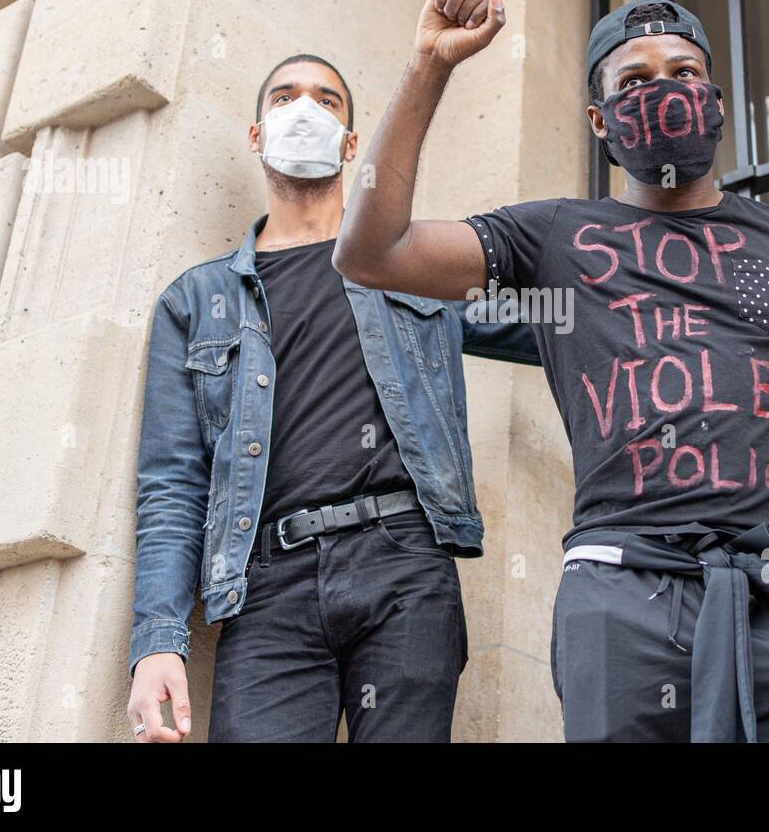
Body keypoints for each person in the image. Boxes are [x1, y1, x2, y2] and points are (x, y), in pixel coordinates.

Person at [332, 0, 769, 742]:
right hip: (621, 595)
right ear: (599, 120)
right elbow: (370, 253)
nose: (665, 92)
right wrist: (429, 67)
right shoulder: (554, 240)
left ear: (714, 96)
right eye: (634, 82)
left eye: (683, 72)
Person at [126, 52, 538, 743]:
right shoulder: (196, 301)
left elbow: (552, 321)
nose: (305, 110)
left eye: (327, 100)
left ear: (352, 144)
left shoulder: (412, 262)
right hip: (265, 586)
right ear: (257, 135)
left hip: (403, 560)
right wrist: (158, 640)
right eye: (284, 97)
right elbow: (171, 484)